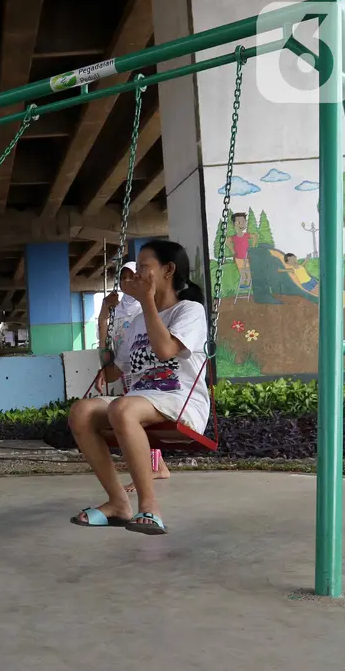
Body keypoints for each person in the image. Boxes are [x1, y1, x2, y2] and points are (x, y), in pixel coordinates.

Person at [67, 240, 210, 535]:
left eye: (144, 267)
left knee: (123, 407)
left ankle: (150, 507)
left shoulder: (190, 311)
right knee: (81, 411)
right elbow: (112, 371)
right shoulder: (135, 323)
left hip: (179, 398)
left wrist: (146, 302)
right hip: (140, 400)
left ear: (168, 270)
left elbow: (166, 350)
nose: (136, 274)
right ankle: (118, 503)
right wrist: (105, 317)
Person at [98, 261, 170, 494]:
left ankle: (151, 469)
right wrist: (103, 313)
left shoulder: (144, 308)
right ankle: (158, 467)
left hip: (142, 366)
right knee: (129, 415)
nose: (127, 281)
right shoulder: (116, 310)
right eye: (123, 277)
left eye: (132, 276)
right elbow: (105, 341)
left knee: (133, 415)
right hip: (122, 364)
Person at [226, 212, 257, 288]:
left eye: (243, 222)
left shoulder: (246, 235)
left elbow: (255, 236)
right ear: (234, 224)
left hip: (246, 256)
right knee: (241, 270)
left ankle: (248, 281)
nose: (241, 224)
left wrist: (252, 248)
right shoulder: (234, 237)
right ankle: (244, 282)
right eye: (239, 222)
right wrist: (233, 251)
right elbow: (227, 241)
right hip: (238, 257)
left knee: (247, 269)